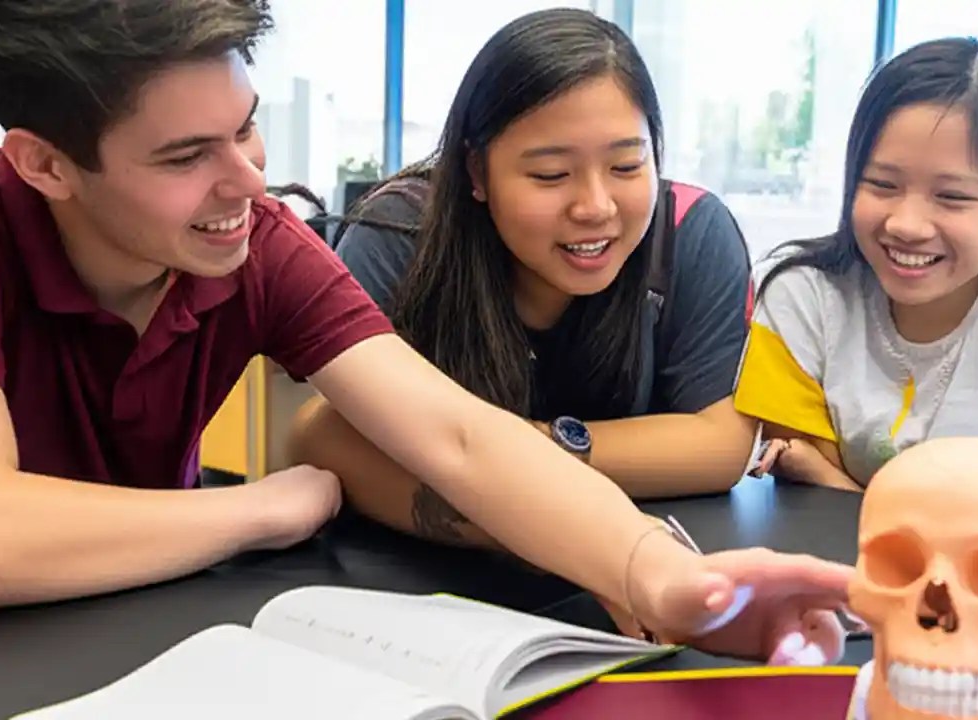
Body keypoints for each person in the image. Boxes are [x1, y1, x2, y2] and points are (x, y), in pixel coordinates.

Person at [0, 0, 848, 664]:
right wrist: (261, 510)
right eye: (186, 155)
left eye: (243, 126)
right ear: (44, 164)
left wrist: (659, 577)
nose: (247, 185)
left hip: (141, 613)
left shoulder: (258, 244)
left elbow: (456, 434)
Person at [287, 8, 758, 549]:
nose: (596, 207)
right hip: (427, 574)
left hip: (640, 562)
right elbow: (325, 437)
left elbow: (720, 445)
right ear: (476, 172)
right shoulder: (399, 238)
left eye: (626, 166)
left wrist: (510, 456)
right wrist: (564, 528)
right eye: (550, 175)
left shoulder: (689, 232)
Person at [738, 37, 978, 493]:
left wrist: (830, 477)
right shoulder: (802, 296)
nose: (906, 225)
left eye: (952, 197)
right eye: (882, 184)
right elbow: (810, 505)